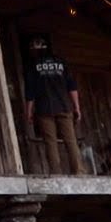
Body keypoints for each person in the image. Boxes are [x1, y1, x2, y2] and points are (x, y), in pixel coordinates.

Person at [23, 34, 85, 175]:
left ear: (34, 50)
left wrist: (29, 112)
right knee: (71, 141)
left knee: (50, 142)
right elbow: (72, 86)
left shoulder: (32, 65)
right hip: (64, 106)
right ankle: (79, 172)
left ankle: (56, 174)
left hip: (44, 109)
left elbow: (30, 92)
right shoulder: (61, 62)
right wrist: (77, 107)